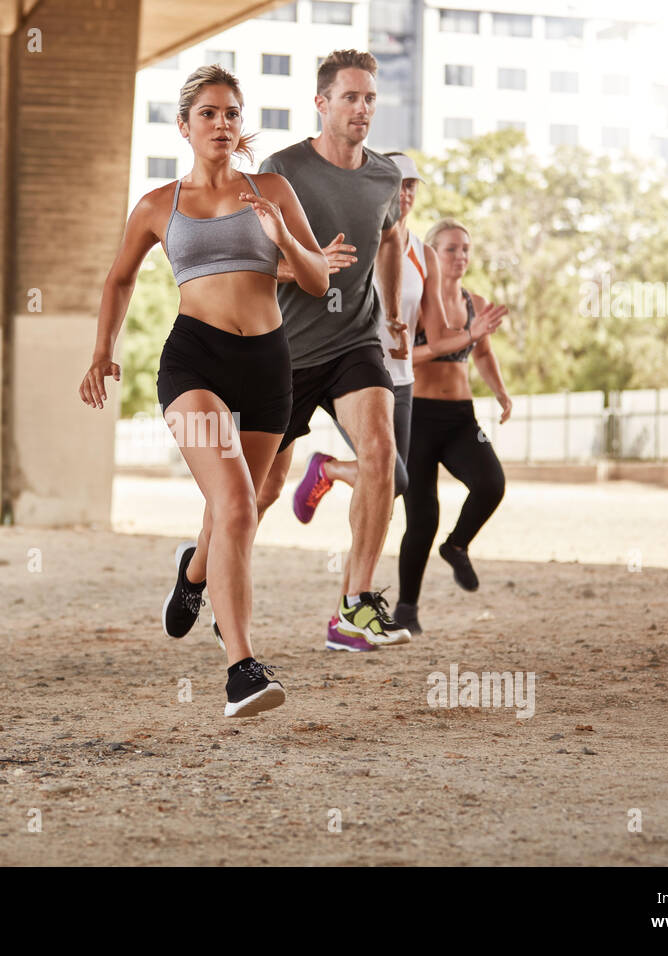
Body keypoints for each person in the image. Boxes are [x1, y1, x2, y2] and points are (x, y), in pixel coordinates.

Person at [79, 64, 328, 717]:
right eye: (210, 113)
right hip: (193, 364)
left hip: (270, 365)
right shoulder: (158, 205)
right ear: (184, 126)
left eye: (232, 113)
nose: (223, 124)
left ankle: (195, 572)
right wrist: (104, 348)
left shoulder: (271, 189)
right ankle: (242, 668)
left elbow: (316, 281)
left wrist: (281, 237)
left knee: (233, 511)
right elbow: (120, 279)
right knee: (239, 507)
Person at [290, 154, 505, 648]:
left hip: (402, 381)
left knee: (385, 495)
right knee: (394, 479)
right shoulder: (363, 238)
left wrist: (471, 331)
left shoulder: (422, 255)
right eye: (399, 185)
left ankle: (345, 616)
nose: (405, 194)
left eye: (412, 187)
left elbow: (433, 332)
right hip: (359, 373)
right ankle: (327, 470)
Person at [254, 49, 411, 651]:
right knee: (261, 491)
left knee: (380, 456)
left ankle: (355, 607)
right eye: (350, 97)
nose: (362, 109)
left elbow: (392, 238)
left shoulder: (384, 177)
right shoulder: (280, 169)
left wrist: (393, 312)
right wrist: (309, 268)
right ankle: (206, 573)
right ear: (321, 103)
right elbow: (250, 258)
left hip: (356, 342)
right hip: (285, 351)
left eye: (369, 98)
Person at [394, 218, 511, 634]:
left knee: (491, 483)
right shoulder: (415, 300)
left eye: (465, 249)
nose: (460, 256)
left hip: (461, 418)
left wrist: (500, 392)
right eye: (451, 249)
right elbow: (405, 356)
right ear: (431, 252)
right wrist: (465, 337)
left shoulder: (473, 302)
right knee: (422, 518)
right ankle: (406, 609)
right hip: (418, 416)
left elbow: (482, 354)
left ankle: (457, 544)